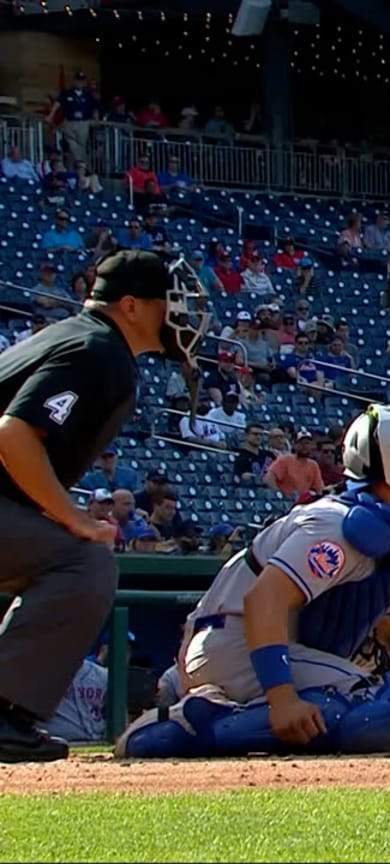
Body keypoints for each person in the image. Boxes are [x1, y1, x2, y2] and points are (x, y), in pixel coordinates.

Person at [115, 404, 390, 758]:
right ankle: (194, 723)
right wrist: (282, 697)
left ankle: (216, 703)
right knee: (377, 712)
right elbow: (264, 601)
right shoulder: (339, 525)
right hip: (235, 643)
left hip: (254, 645)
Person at [0, 250, 209, 763]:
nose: (179, 314)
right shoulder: (99, 350)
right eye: (169, 303)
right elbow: (13, 433)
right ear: (132, 306)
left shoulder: (75, 336)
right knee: (83, 559)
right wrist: (71, 517)